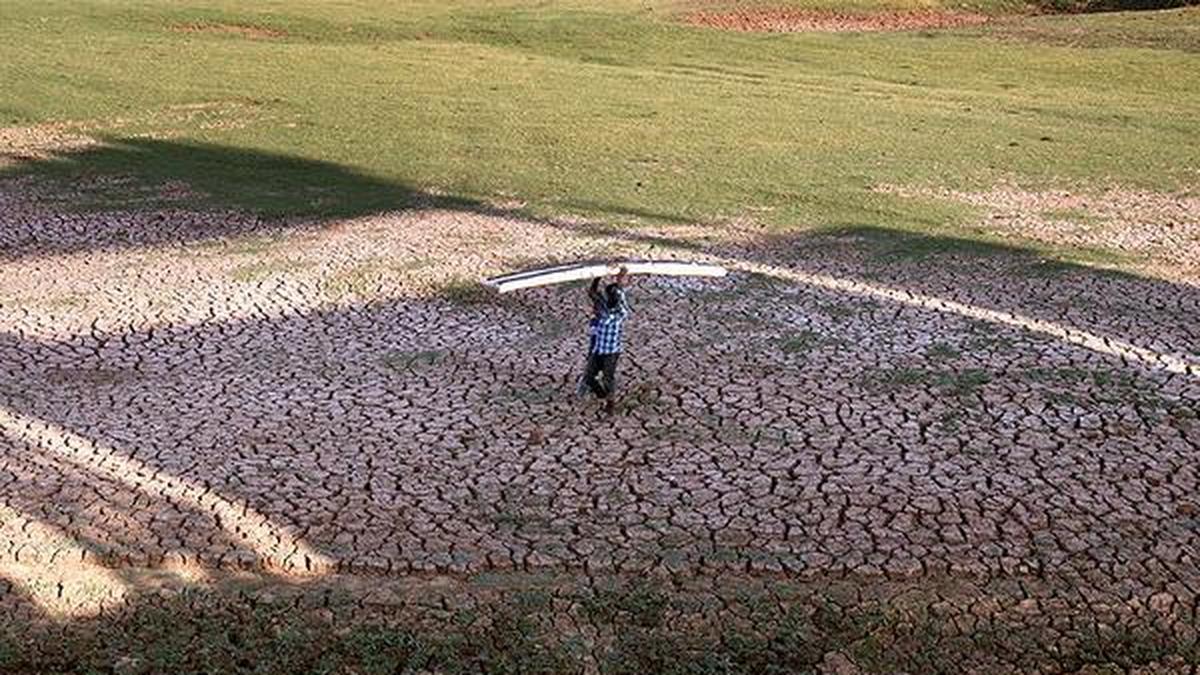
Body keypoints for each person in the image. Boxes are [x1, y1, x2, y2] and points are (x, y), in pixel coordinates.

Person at [581, 267, 629, 414]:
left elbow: (605, 315)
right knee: (589, 377)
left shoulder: (619, 313)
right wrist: (598, 276)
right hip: (598, 349)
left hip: (611, 352)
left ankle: (610, 402)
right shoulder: (604, 305)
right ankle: (602, 396)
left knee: (608, 378)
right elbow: (593, 293)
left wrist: (620, 284)